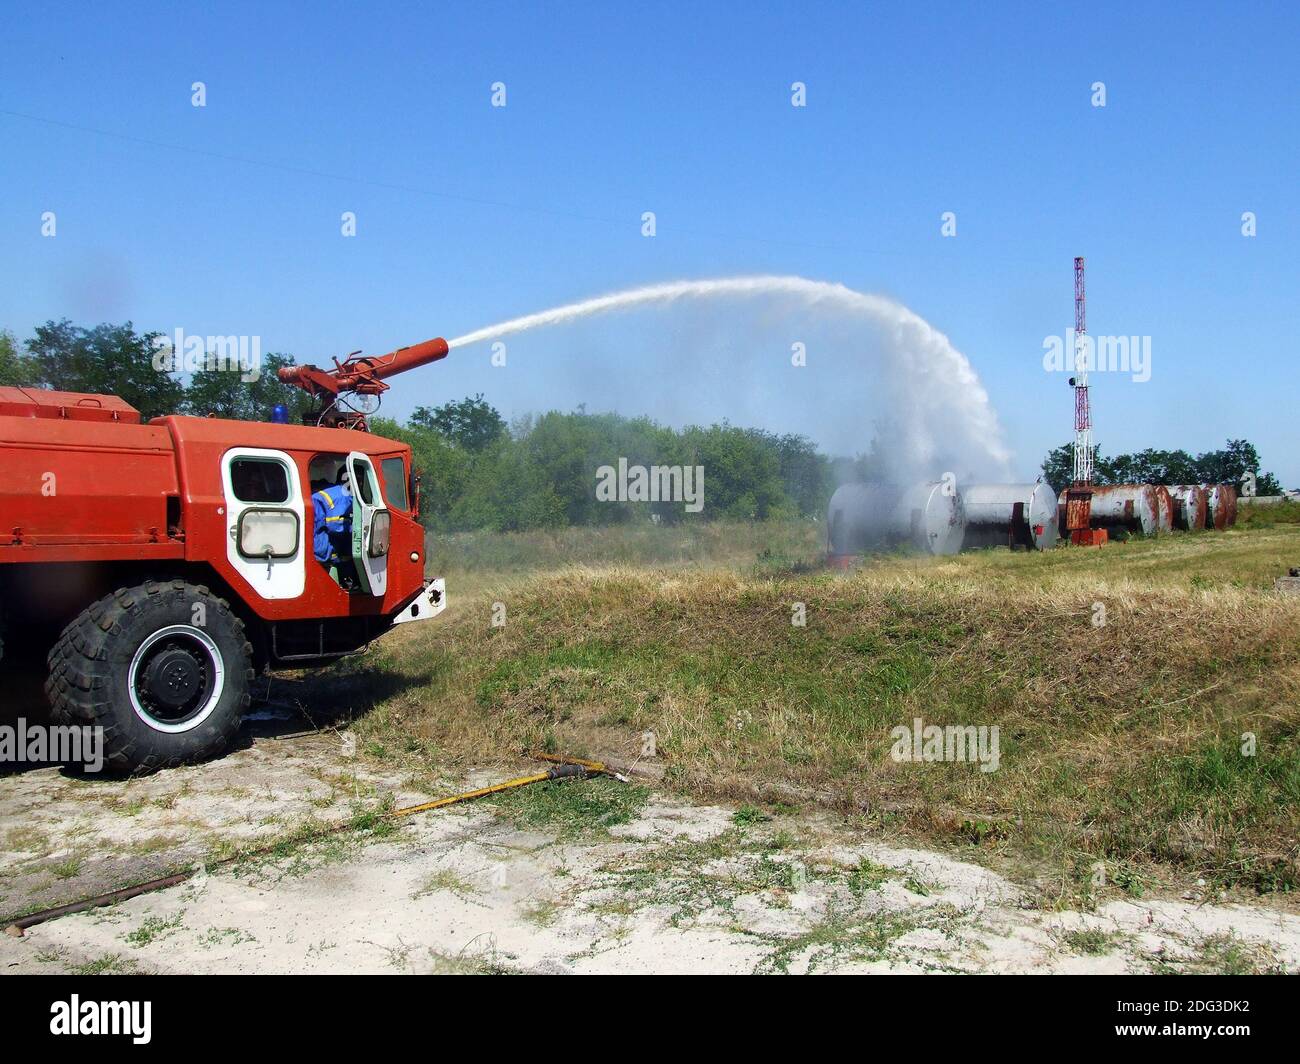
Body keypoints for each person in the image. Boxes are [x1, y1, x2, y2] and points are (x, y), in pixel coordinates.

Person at [312, 469, 354, 586]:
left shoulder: (331, 492)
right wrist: (356, 527)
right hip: (323, 548)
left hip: (317, 544)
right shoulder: (342, 495)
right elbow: (336, 525)